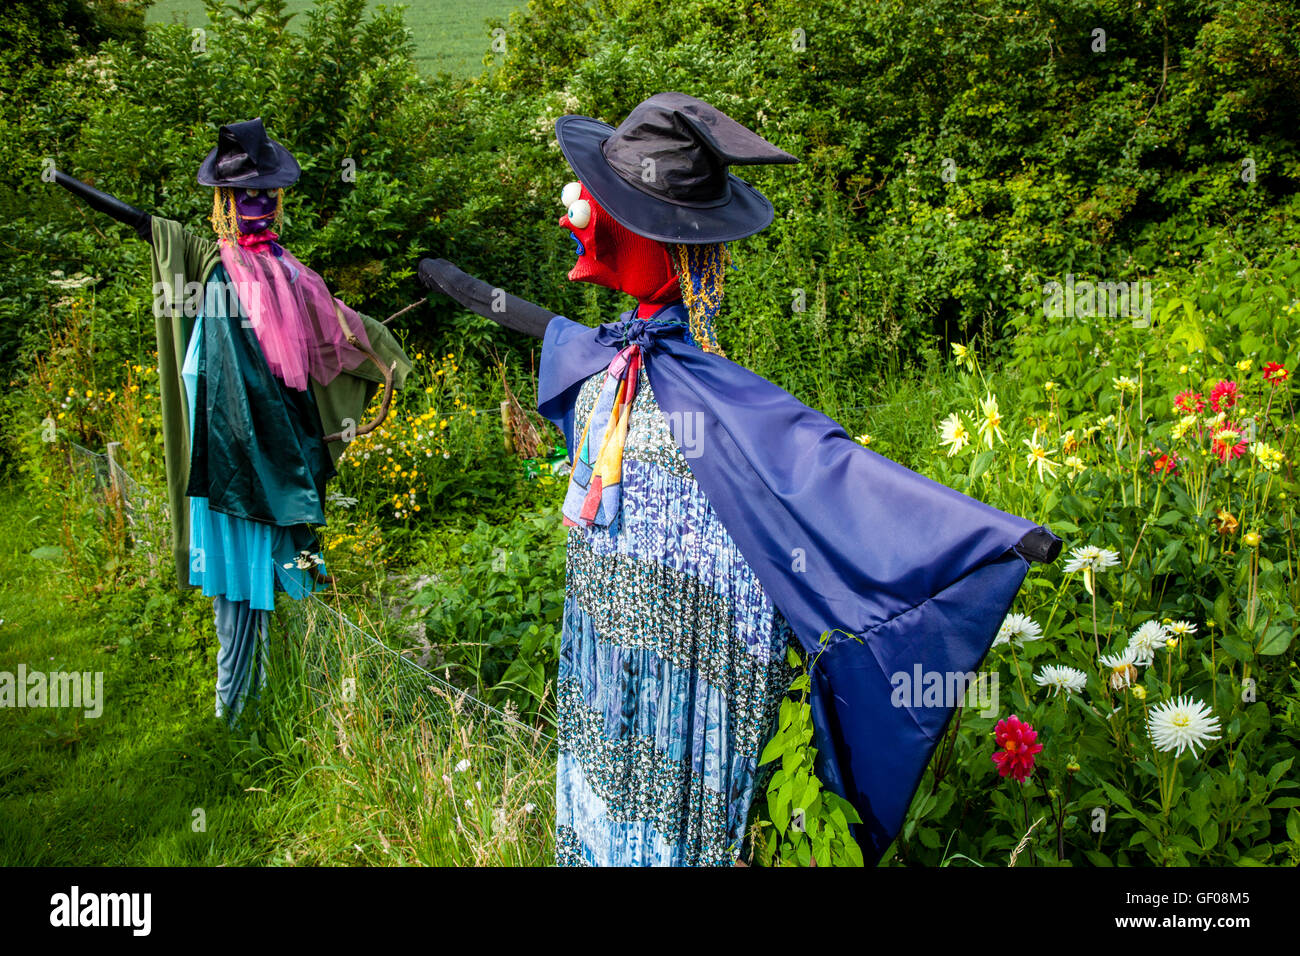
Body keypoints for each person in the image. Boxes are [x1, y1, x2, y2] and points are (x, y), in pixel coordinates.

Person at [419, 92, 1062, 866]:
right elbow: (563, 339)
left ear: (650, 236)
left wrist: (983, 538)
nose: (575, 213)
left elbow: (834, 473)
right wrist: (463, 288)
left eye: (593, 203)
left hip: (692, 681)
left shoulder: (727, 408)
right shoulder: (612, 363)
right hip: (606, 651)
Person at [53, 118, 412, 719]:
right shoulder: (216, 271)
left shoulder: (290, 273)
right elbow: (152, 235)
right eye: (246, 195)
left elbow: (339, 329)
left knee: (263, 592)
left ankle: (261, 703)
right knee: (235, 597)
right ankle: (233, 713)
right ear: (223, 201)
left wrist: (388, 359)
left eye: (266, 194)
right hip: (227, 458)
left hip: (274, 447)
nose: (259, 205)